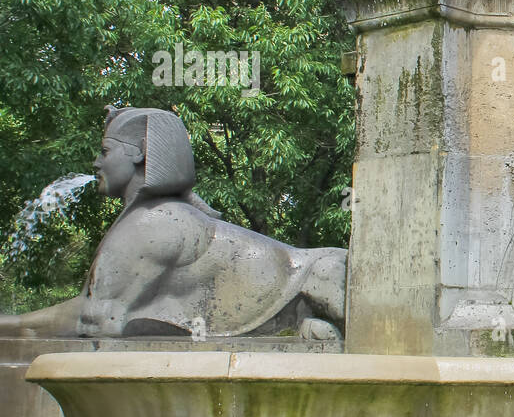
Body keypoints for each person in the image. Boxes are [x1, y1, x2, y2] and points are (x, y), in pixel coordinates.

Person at [0, 106, 346, 340]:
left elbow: (99, 318)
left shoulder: (154, 223)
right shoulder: (158, 217)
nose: (96, 163)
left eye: (105, 151)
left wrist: (13, 324)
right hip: (288, 296)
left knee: (330, 272)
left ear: (139, 153)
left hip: (320, 271)